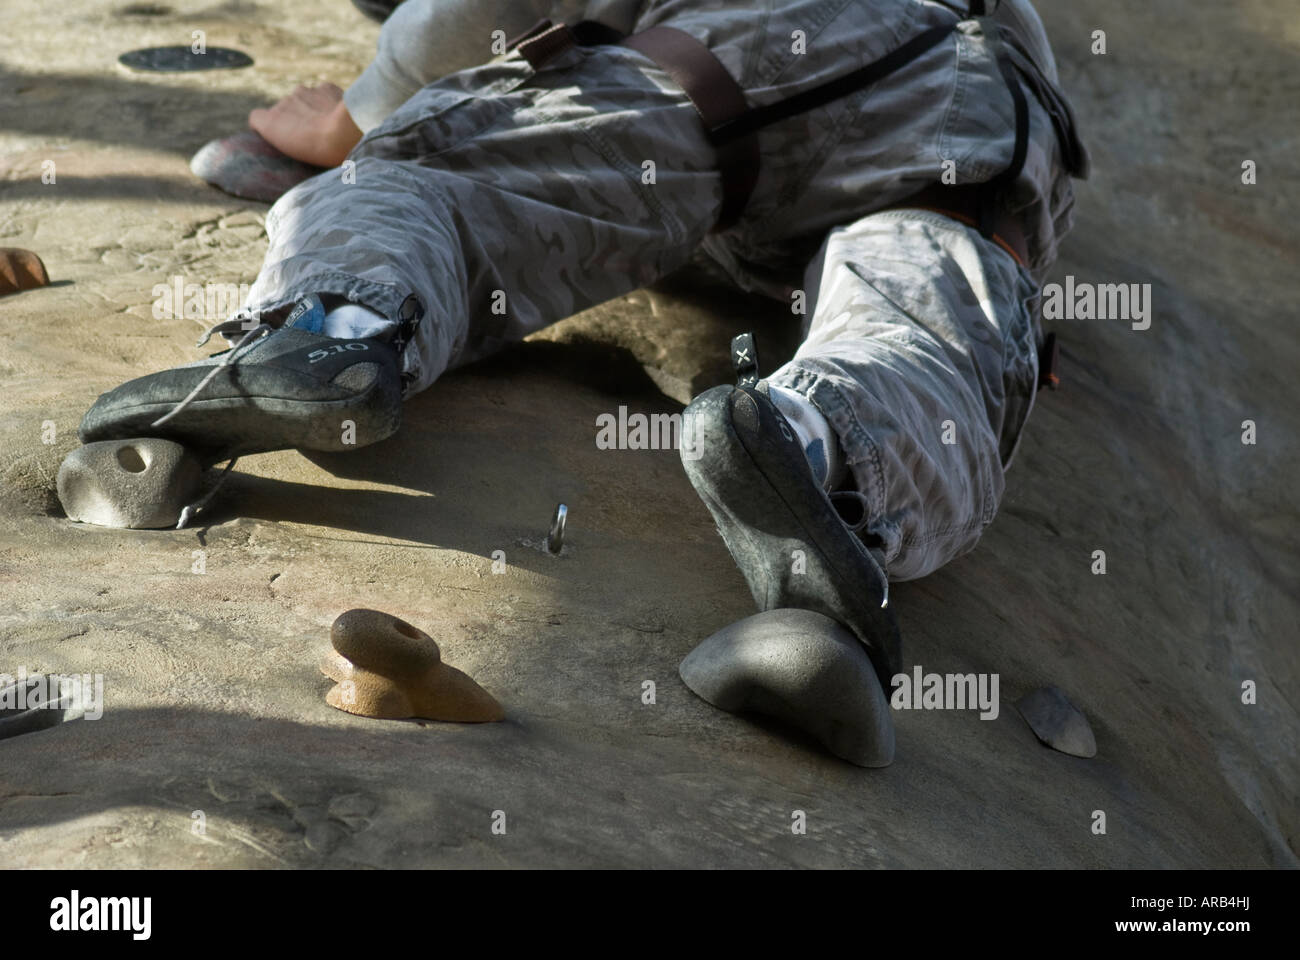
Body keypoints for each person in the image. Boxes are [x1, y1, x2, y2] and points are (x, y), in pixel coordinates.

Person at [78, 0, 1087, 688]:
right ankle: (817, 446)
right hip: (988, 145)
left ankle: (337, 328)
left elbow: (479, 15)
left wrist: (362, 111)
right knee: (922, 314)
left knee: (440, 179)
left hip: (752, 60)